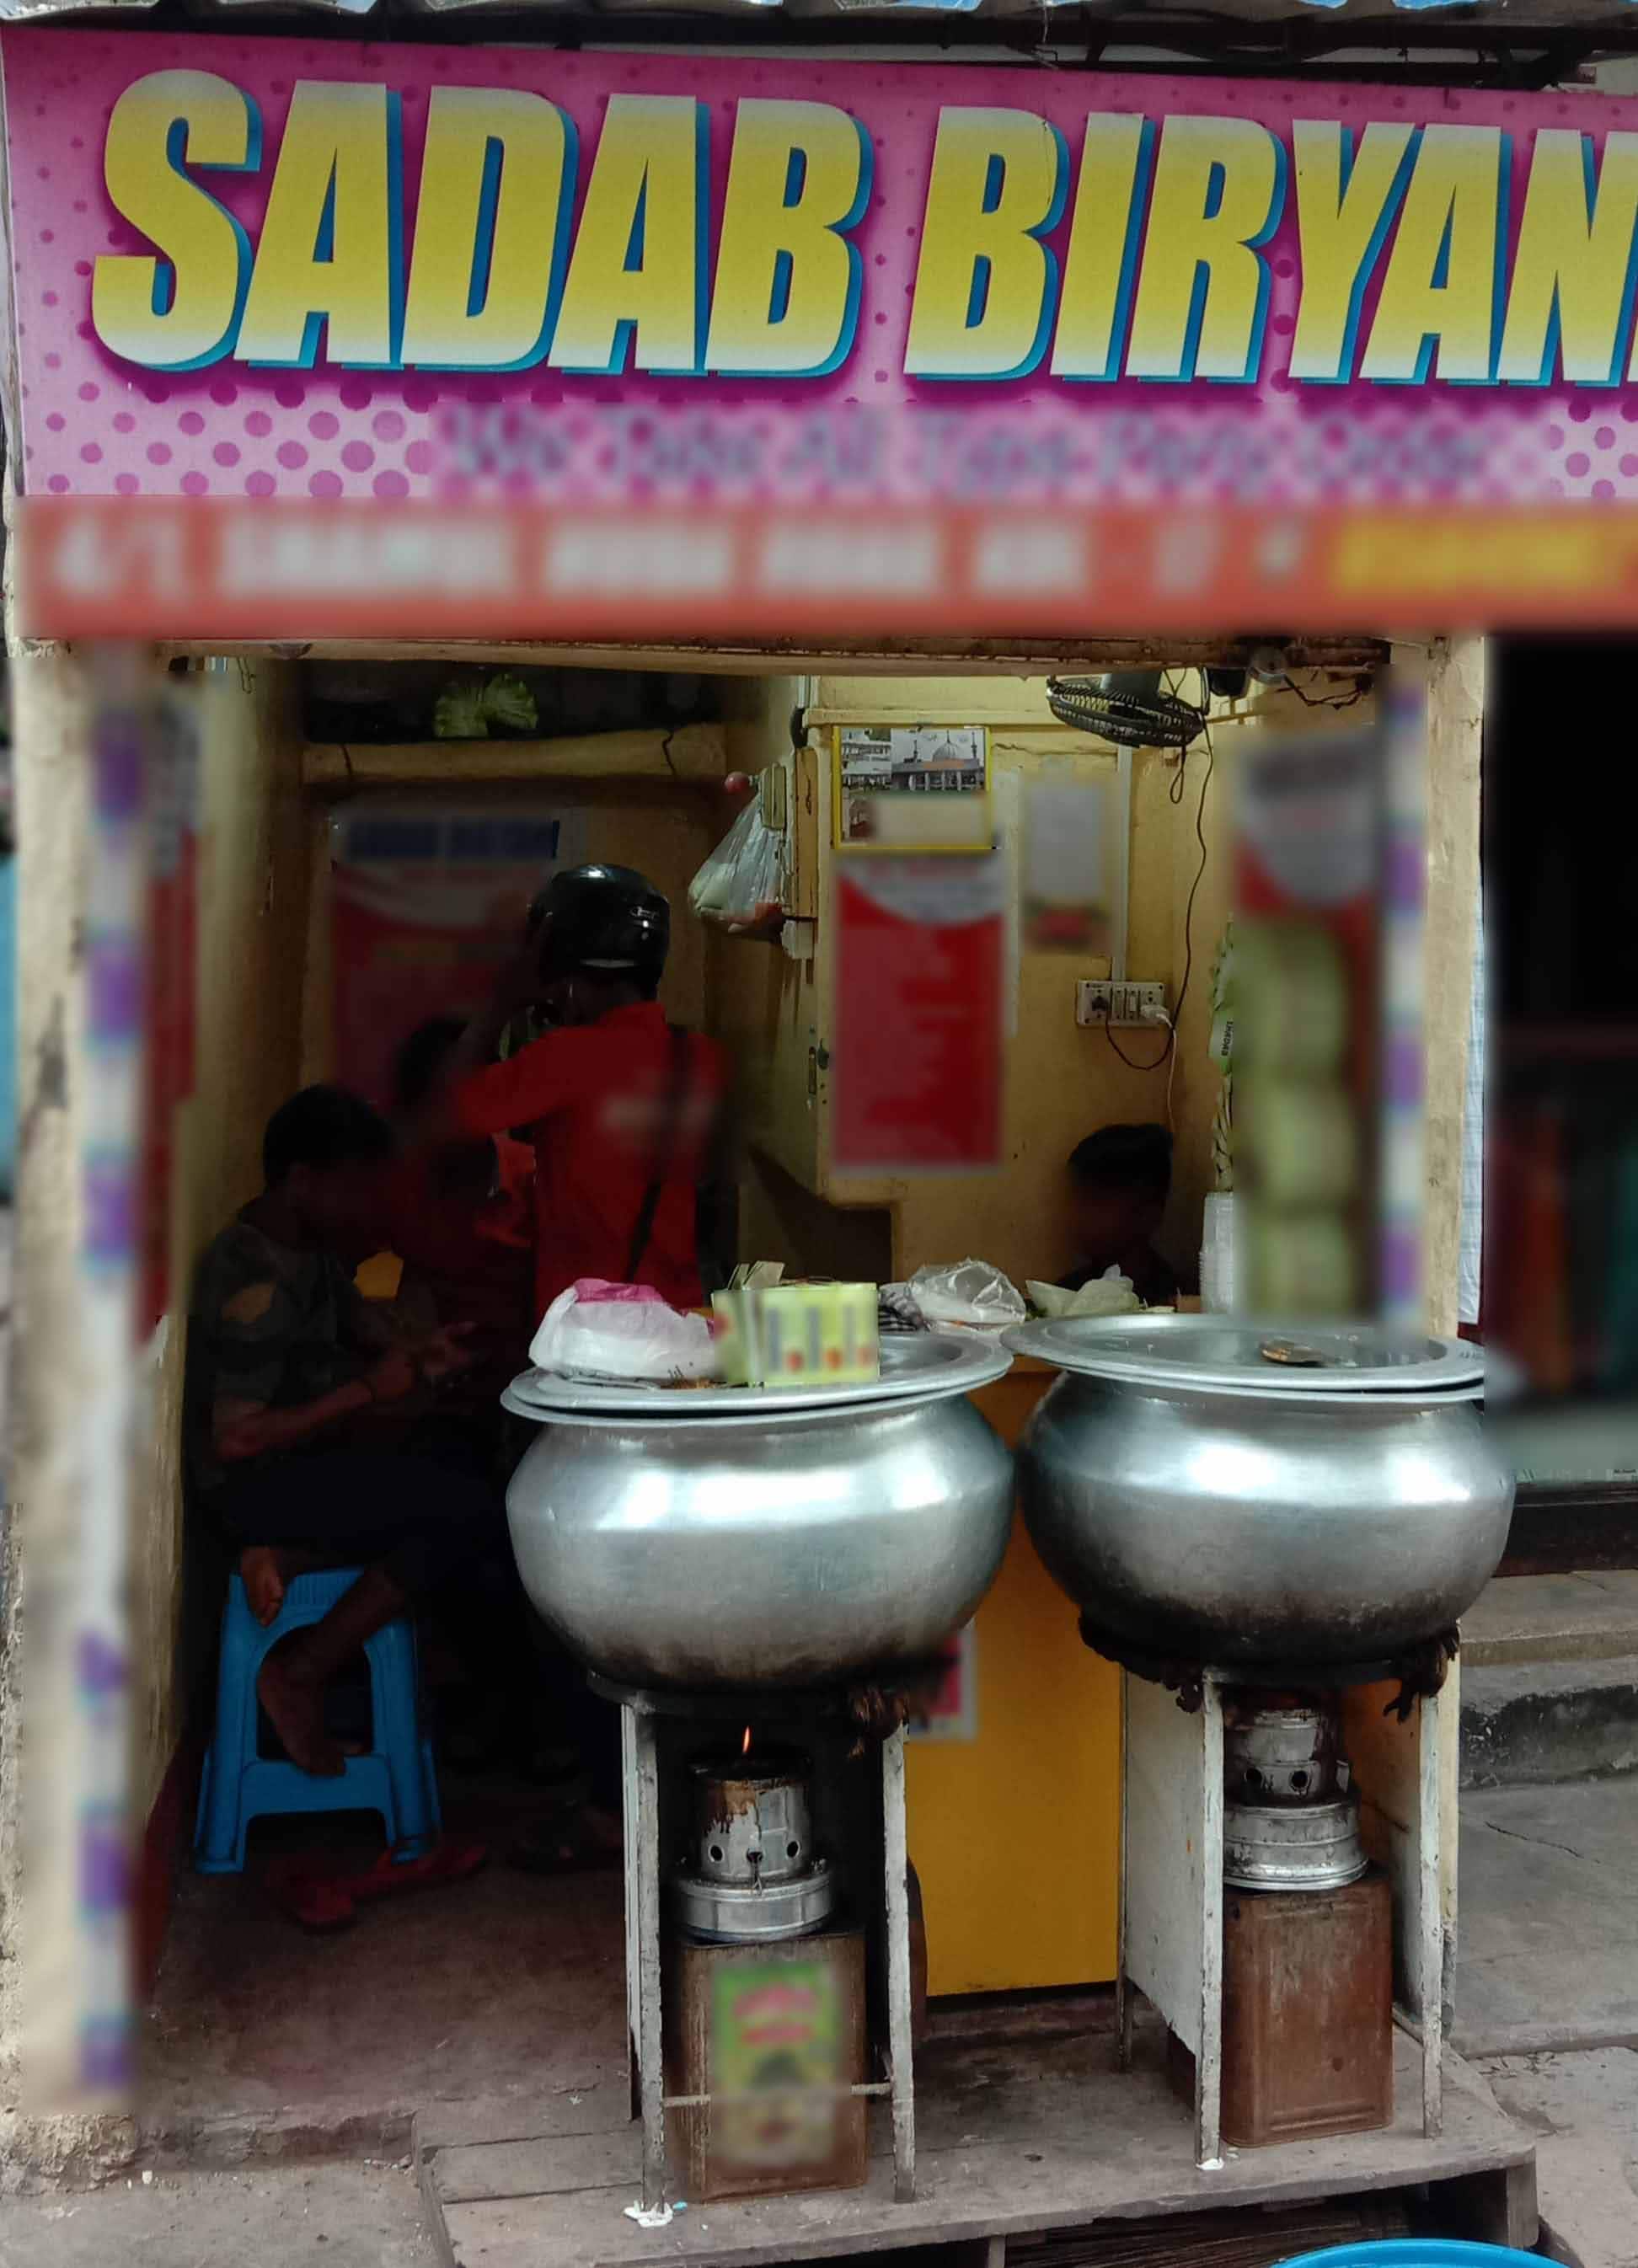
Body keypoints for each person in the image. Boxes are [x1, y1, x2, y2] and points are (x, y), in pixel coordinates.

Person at [188, 1085, 500, 1778]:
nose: (369, 1209)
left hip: (305, 1459)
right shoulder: (254, 1282)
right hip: (248, 1484)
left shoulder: (306, 1244)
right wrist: (367, 1391)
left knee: (461, 1450)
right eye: (356, 1191)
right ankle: (301, 1672)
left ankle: (292, 1557)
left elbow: (363, 1324)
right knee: (464, 1511)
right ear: (302, 1181)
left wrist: (422, 1354)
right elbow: (234, 1440)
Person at [436, 864, 731, 1318]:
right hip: (681, 1326)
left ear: (567, 977)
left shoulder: (565, 1058)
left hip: (587, 1334)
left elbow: (451, 1112)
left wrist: (503, 1000)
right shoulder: (704, 1059)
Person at [381, 1015, 537, 1412]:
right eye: (439, 1102)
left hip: (532, 1386)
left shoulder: (537, 1180)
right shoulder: (393, 1191)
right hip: (429, 1391)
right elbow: (367, 1294)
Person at [1059, 1122, 1192, 1309]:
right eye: (1077, 1198)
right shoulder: (1065, 1297)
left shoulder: (1178, 1303)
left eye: (1096, 1200)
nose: (1078, 1214)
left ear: (1149, 1213)